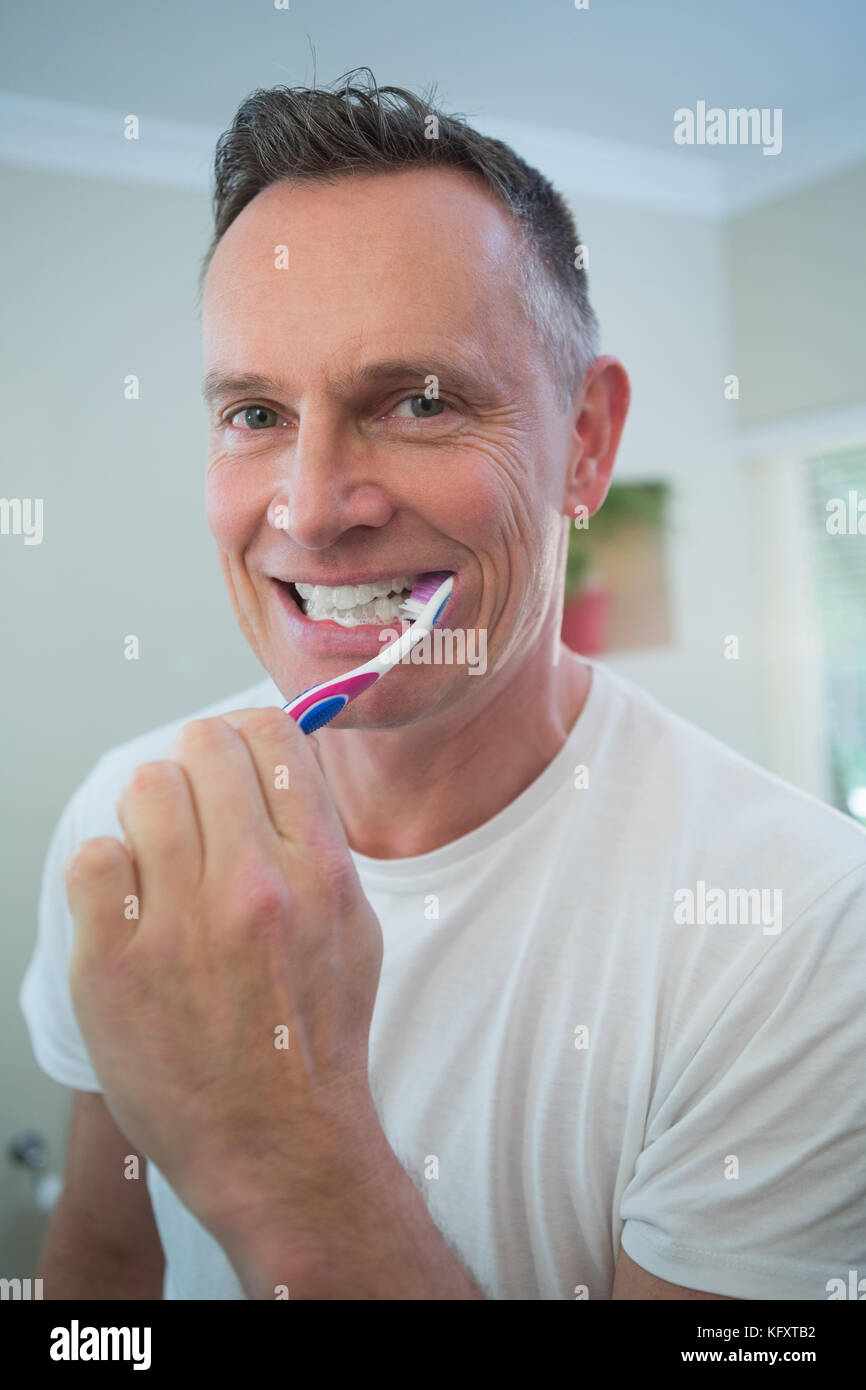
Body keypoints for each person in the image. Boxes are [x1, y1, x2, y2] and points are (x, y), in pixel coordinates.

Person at [20, 71, 866, 1301]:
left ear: (584, 440)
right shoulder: (130, 821)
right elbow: (98, 1267)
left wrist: (289, 1165)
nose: (309, 507)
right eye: (255, 411)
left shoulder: (800, 928)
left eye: (417, 401)